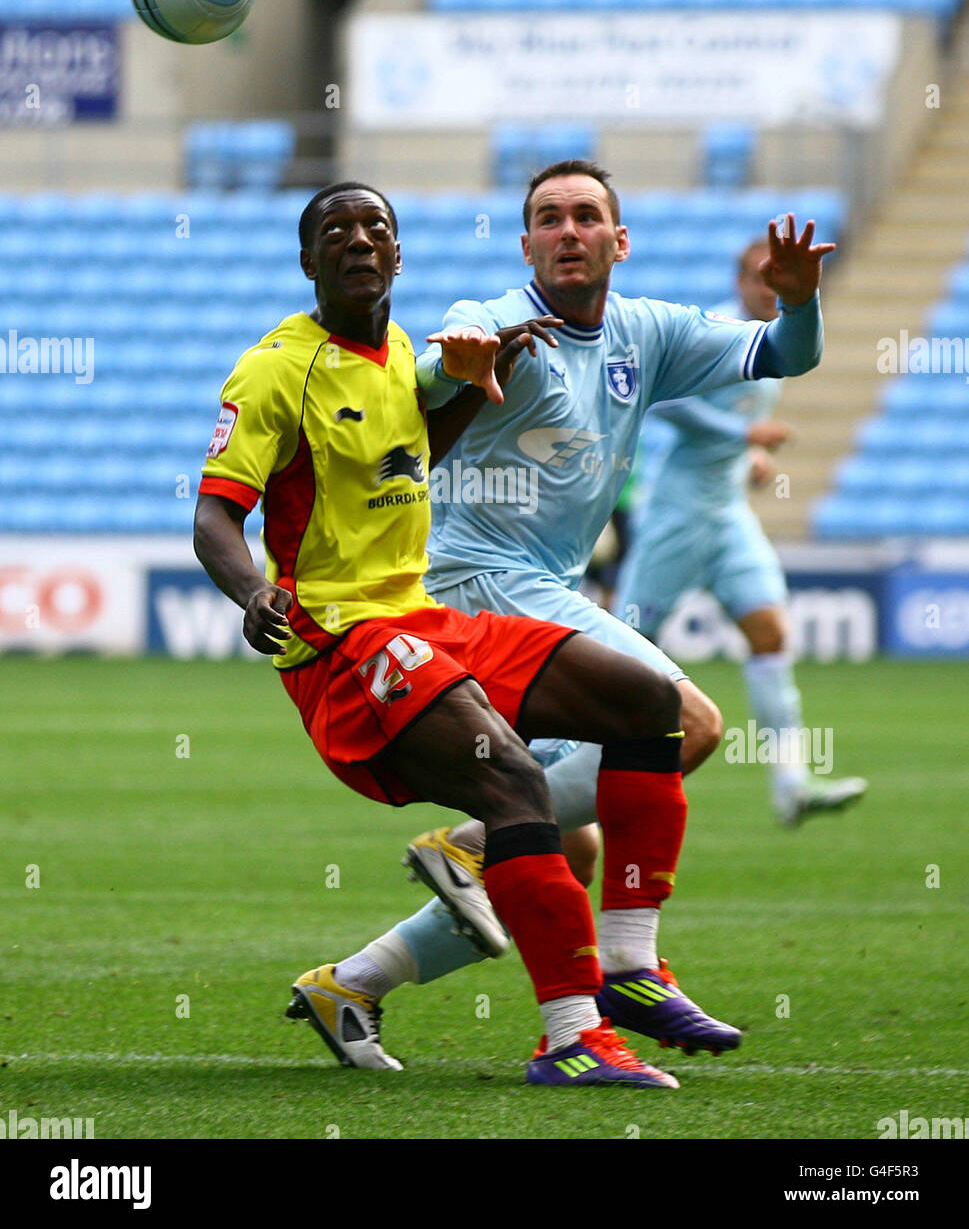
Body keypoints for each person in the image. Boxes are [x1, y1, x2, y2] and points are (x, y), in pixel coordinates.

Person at [193, 179, 735, 1089]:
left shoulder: (398, 352)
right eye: (337, 231)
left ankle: (631, 965)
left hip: (423, 621)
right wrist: (254, 594)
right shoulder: (274, 369)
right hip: (342, 645)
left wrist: (476, 392)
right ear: (307, 260)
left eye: (376, 229)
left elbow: (411, 462)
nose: (359, 241)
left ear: (399, 256)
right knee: (516, 785)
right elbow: (214, 518)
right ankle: (570, 1037)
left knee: (647, 704)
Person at [294, 162, 831, 1071]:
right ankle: (623, 966)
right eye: (548, 219)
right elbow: (426, 377)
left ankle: (354, 984)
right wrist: (458, 356)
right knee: (685, 720)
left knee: (559, 848)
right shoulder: (500, 321)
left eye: (587, 216)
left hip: (543, 585)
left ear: (618, 241)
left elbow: (786, 355)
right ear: (527, 246)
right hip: (467, 580)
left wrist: (799, 303)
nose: (568, 231)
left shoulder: (647, 331)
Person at [614, 238, 868, 825]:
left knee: (772, 632)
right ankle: (562, 764)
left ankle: (791, 785)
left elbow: (734, 420)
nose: (767, 288)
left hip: (728, 514)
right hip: (676, 514)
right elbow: (664, 403)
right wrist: (742, 440)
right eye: (759, 278)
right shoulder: (715, 331)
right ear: (739, 282)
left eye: (775, 279)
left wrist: (744, 459)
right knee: (627, 649)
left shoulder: (772, 337)